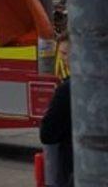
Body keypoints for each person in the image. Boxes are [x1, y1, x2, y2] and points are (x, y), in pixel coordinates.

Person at [41, 34, 72, 187]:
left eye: (66, 54)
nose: (63, 59)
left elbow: (47, 134)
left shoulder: (67, 91)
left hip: (74, 171)